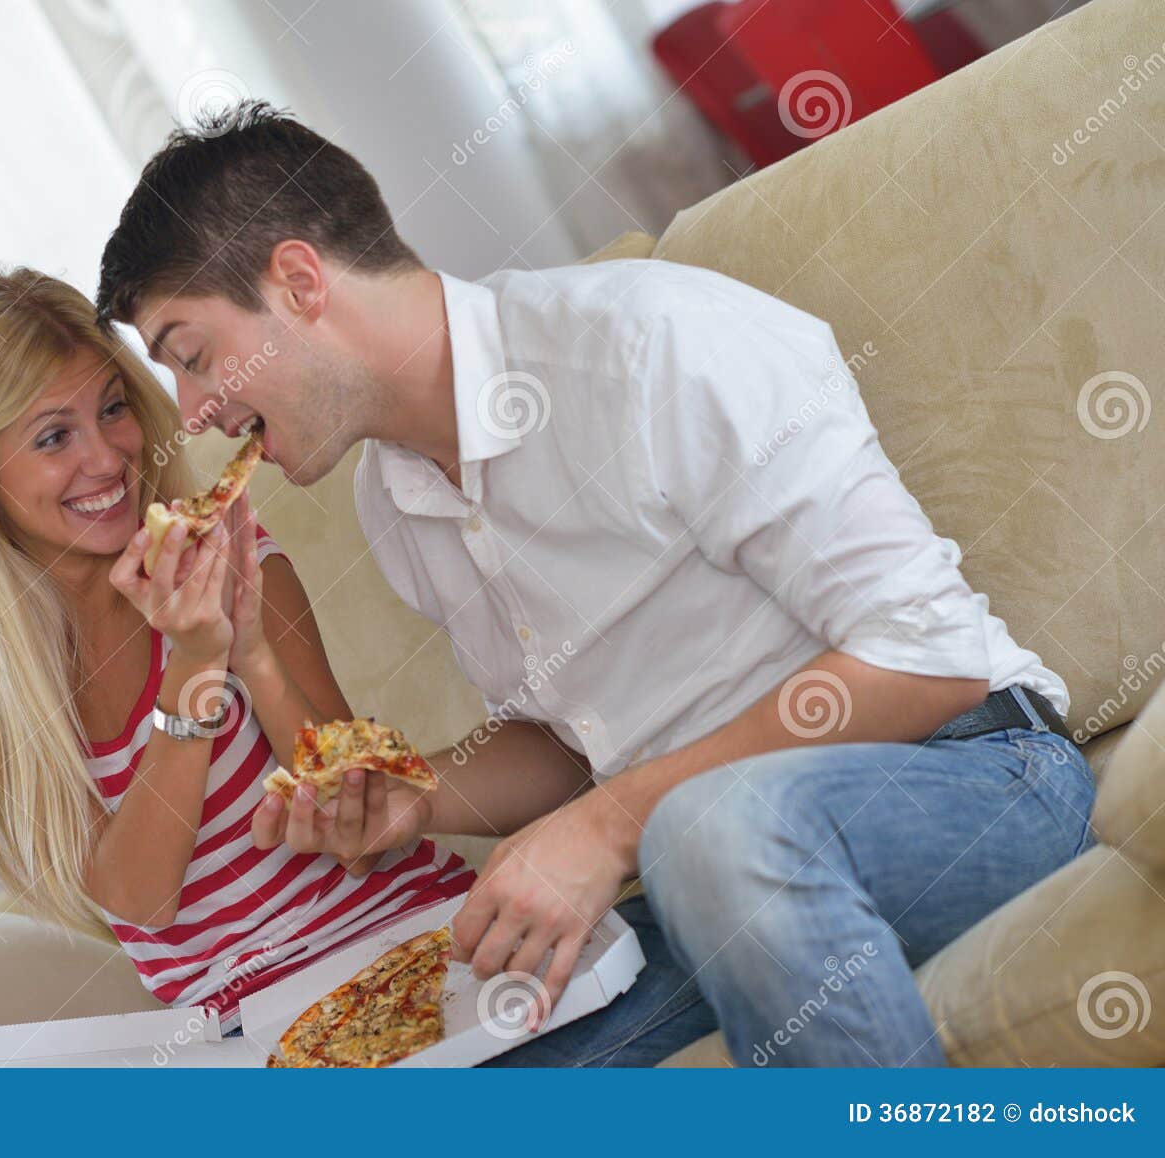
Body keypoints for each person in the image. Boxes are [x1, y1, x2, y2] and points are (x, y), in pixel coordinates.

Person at [93, 103, 1097, 1065]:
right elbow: (572, 749)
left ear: (301, 282)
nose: (193, 411)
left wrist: (610, 826)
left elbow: (927, 655)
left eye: (193, 356)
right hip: (693, 875)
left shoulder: (648, 346)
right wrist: (416, 796)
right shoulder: (393, 503)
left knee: (708, 832)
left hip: (966, 778)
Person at [0, 268, 472, 1027]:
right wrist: (196, 665)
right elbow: (140, 898)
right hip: (250, 1036)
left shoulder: (230, 557)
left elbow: (357, 827)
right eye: (53, 437)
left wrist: (245, 652)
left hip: (415, 940)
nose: (107, 458)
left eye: (112, 409)